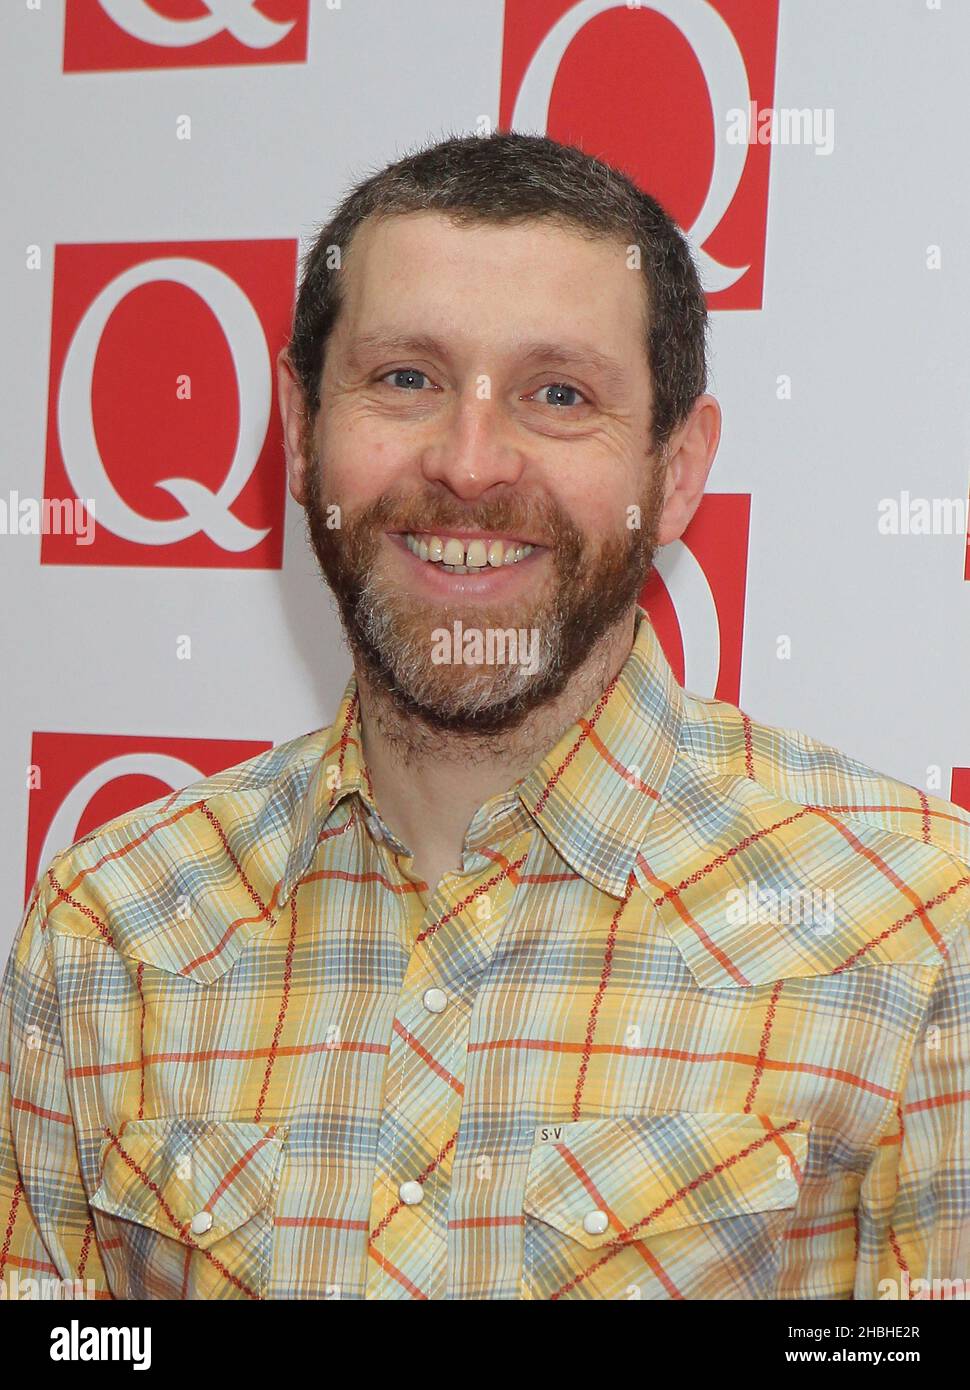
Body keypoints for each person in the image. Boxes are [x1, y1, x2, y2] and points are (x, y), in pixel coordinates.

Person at [1, 133, 967, 1302]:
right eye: (405, 378)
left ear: (676, 469)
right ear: (301, 430)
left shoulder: (917, 930)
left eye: (558, 394)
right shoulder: (112, 924)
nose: (467, 462)